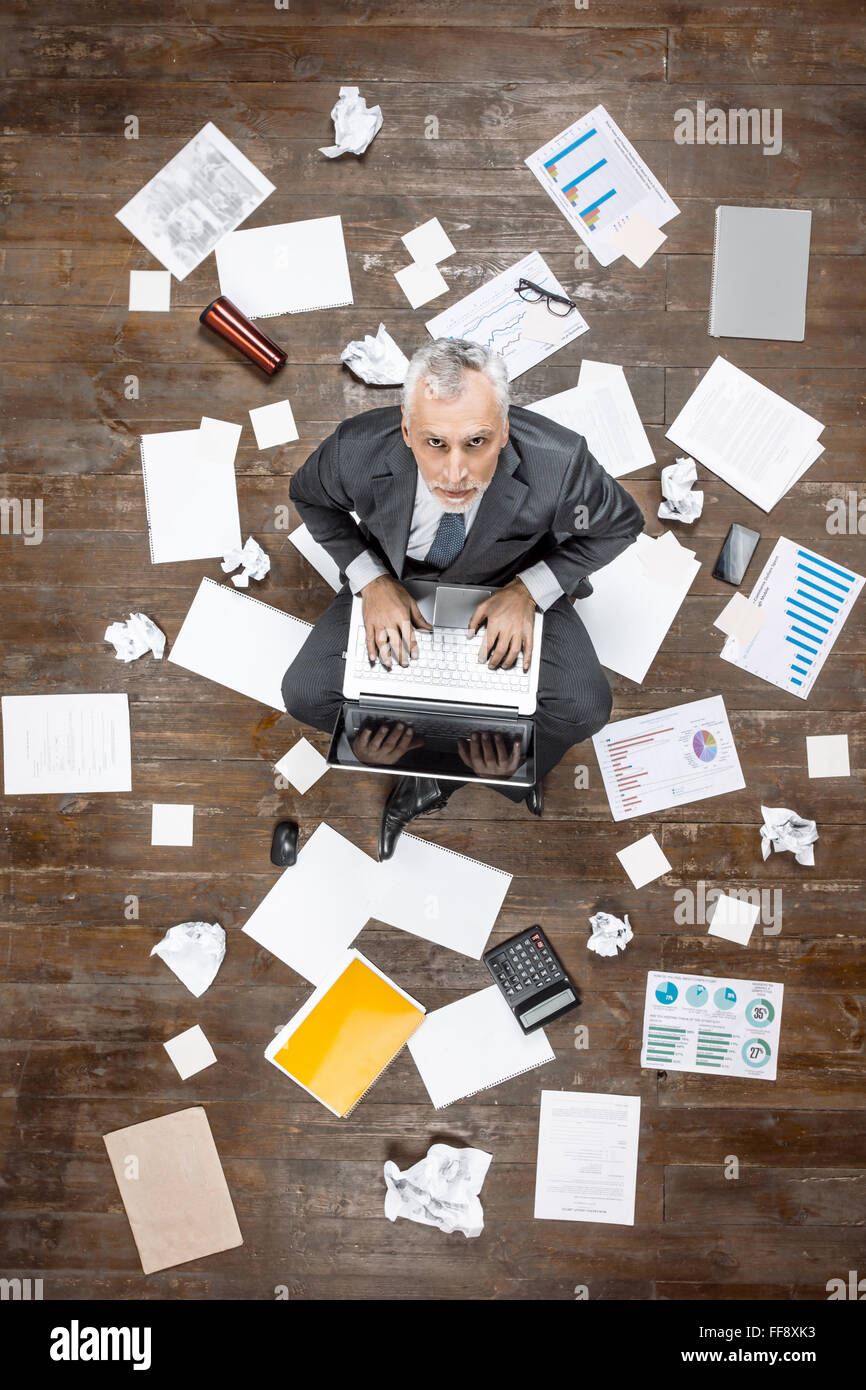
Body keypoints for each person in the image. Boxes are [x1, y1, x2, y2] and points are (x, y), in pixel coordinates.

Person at [283, 338, 644, 859]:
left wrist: (529, 590)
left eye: (476, 443)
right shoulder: (355, 450)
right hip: (397, 581)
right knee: (306, 693)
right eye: (435, 444)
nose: (455, 475)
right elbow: (310, 498)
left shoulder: (560, 463)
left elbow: (620, 526)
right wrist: (371, 580)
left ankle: (497, 776)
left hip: (507, 581)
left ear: (505, 430)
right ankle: (424, 767)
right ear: (406, 429)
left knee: (585, 707)